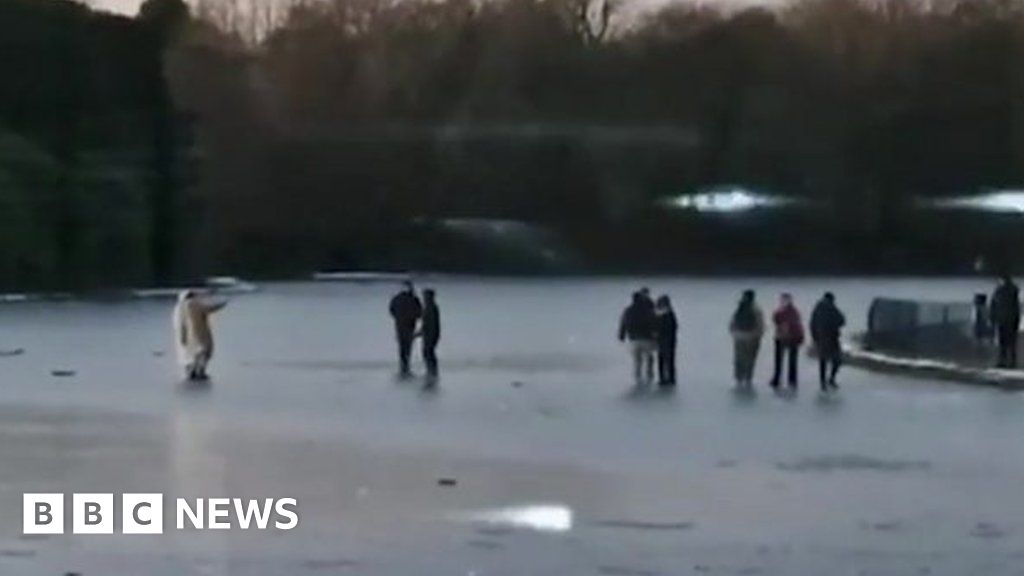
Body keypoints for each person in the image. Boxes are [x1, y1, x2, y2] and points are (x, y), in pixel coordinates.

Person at [172, 290, 227, 381]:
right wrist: (224, 302)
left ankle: (191, 373)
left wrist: (182, 337)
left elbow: (178, 325)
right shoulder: (192, 304)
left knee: (188, 357)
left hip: (184, 338)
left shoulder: (178, 308)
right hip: (198, 335)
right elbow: (210, 308)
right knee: (203, 353)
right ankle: (200, 373)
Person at [619, 291, 658, 385]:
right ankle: (649, 375)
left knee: (637, 359)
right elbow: (653, 322)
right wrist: (656, 335)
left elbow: (623, 323)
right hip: (647, 338)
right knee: (649, 358)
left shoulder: (628, 311)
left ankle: (637, 376)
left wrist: (622, 335)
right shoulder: (647, 310)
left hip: (633, 339)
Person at [810, 292, 845, 391]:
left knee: (823, 361)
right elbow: (842, 320)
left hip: (823, 338)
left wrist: (814, 337)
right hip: (831, 338)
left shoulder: (818, 309)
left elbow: (812, 324)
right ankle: (831, 379)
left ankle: (823, 382)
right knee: (836, 360)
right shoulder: (832, 308)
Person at [729, 290, 764, 389]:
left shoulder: (740, 307)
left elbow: (732, 322)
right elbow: (760, 324)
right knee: (750, 359)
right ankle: (748, 379)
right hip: (751, 337)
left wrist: (734, 333)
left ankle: (738, 378)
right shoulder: (756, 309)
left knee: (739, 358)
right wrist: (758, 335)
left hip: (739, 337)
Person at [770, 293, 804, 390]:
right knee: (791, 360)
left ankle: (778, 379)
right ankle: (792, 380)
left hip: (783, 337)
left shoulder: (782, 312)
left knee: (779, 360)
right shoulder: (795, 311)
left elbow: (776, 319)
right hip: (792, 338)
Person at [389, 281, 423, 376]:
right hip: (409, 325)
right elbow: (420, 313)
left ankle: (403, 366)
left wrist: (398, 317)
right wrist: (413, 317)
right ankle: (406, 366)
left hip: (400, 325)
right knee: (407, 346)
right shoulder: (414, 299)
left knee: (402, 346)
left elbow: (392, 310)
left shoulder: (396, 299)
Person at [990, 274, 1021, 368]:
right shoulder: (1010, 291)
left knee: (1005, 342)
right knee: (1009, 342)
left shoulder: (1000, 291)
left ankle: (1005, 361)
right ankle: (1009, 361)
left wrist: (993, 317)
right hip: (1009, 320)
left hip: (1005, 319)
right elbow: (1016, 308)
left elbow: (994, 306)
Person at [655, 295, 678, 387]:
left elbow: (660, 327)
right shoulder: (671, 314)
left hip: (664, 340)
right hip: (670, 340)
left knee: (663, 359)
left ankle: (663, 378)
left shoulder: (662, 315)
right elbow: (674, 327)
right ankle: (670, 378)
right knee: (669, 360)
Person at [420, 288, 441, 380]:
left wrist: (424, 333)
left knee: (428, 352)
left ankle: (432, 371)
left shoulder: (431, 308)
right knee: (428, 352)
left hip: (431, 334)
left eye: (425, 296)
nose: (423, 298)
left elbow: (430, 323)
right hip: (428, 334)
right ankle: (431, 371)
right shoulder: (428, 307)